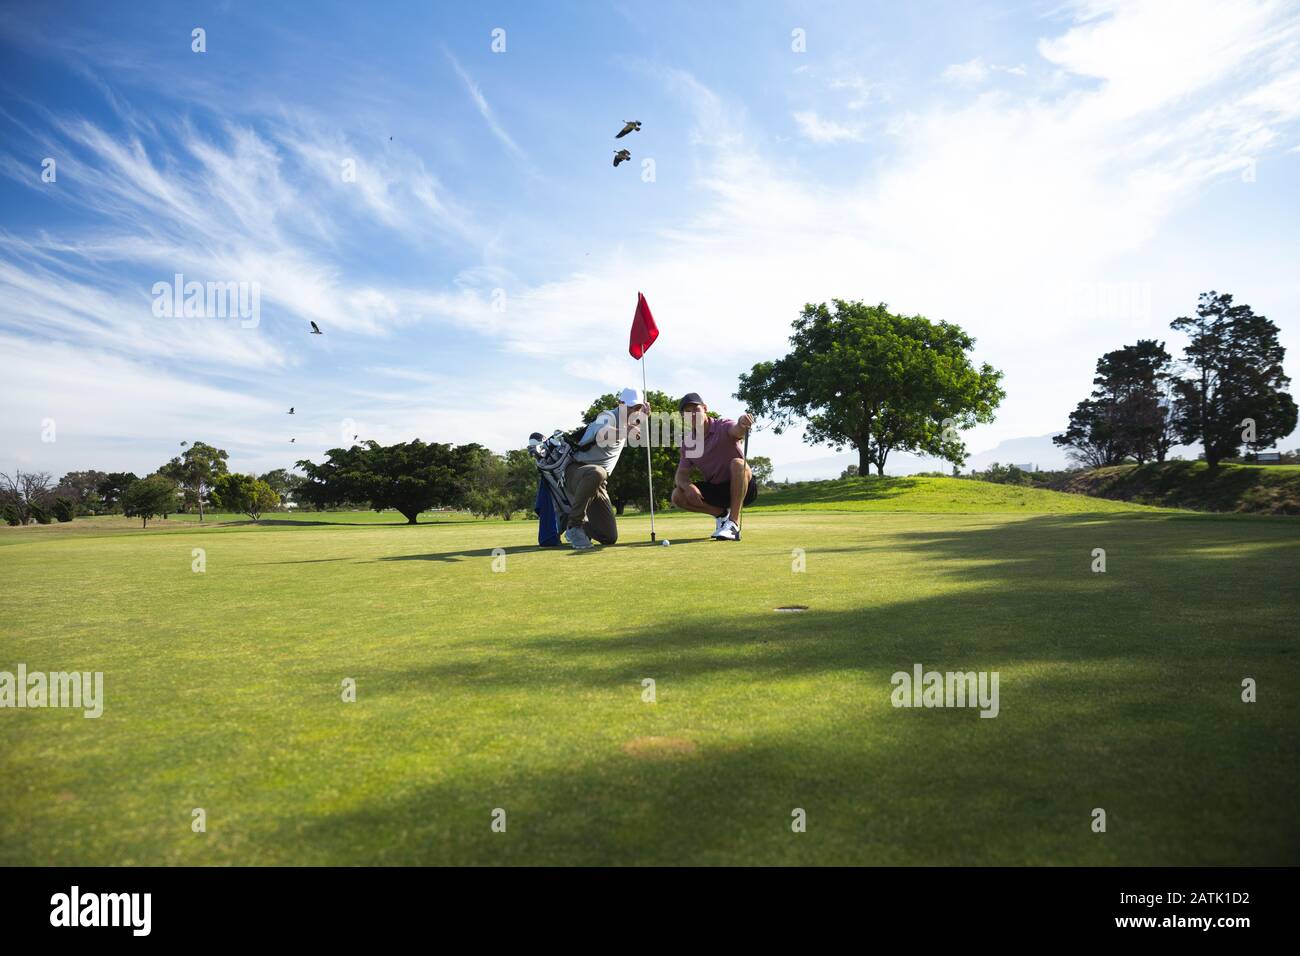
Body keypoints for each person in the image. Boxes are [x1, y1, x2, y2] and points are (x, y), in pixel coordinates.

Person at [563, 387, 647, 550]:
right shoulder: (607, 416)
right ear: (620, 404)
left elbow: (634, 421)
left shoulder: (632, 419)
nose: (633, 412)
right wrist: (626, 431)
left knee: (608, 536)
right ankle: (574, 526)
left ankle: (567, 518)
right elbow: (604, 434)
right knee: (598, 472)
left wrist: (643, 416)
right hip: (576, 472)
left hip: (596, 482)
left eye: (637, 408)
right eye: (629, 407)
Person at [670, 392, 755, 541]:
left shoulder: (723, 426)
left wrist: (742, 423)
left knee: (738, 463)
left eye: (696, 409)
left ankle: (733, 524)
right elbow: (681, 475)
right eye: (687, 412)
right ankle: (721, 515)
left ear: (705, 409)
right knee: (677, 495)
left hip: (744, 487)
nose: (693, 415)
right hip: (718, 491)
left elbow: (737, 430)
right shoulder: (688, 443)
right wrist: (688, 486)